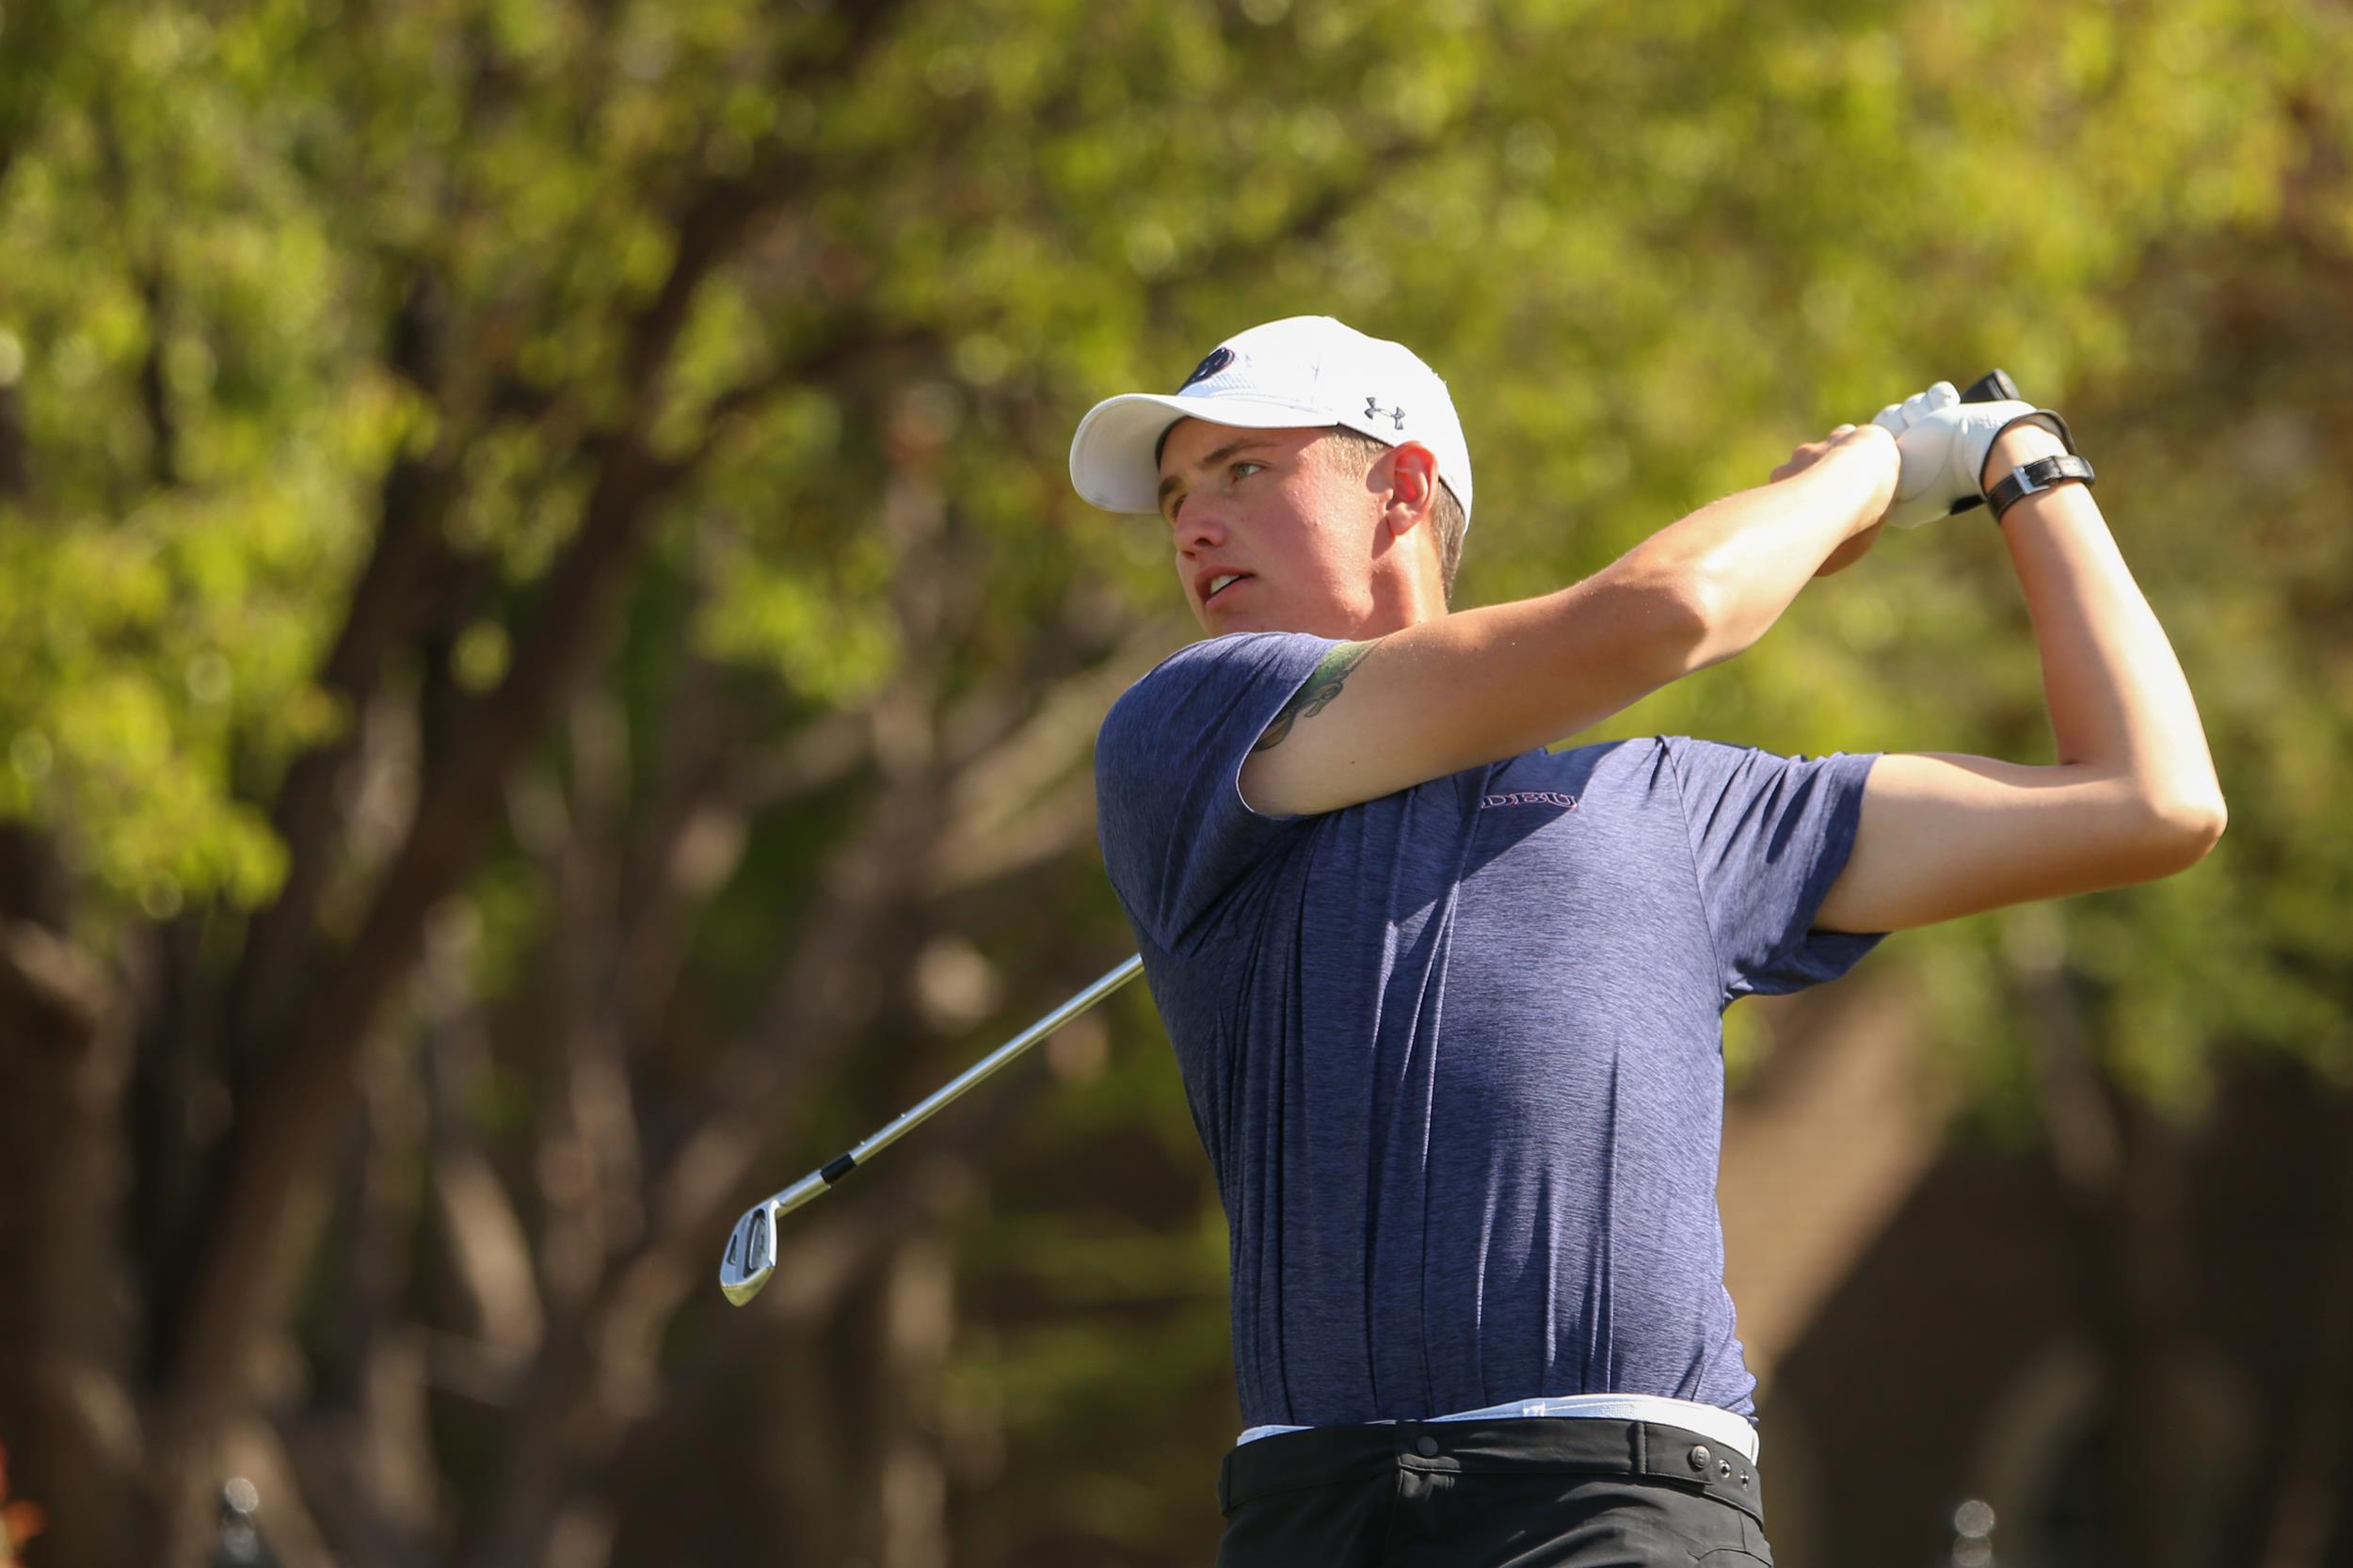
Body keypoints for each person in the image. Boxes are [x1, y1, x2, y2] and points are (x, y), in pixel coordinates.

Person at [1069, 316, 2223, 1566]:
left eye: (1245, 470)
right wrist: (1872, 471)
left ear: (1403, 488)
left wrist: (2022, 463)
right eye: (1178, 493)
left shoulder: (1683, 807)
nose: (1191, 523)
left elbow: (2149, 798)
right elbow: (1673, 608)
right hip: (1314, 1508)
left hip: (1615, 1503)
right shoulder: (1183, 733)